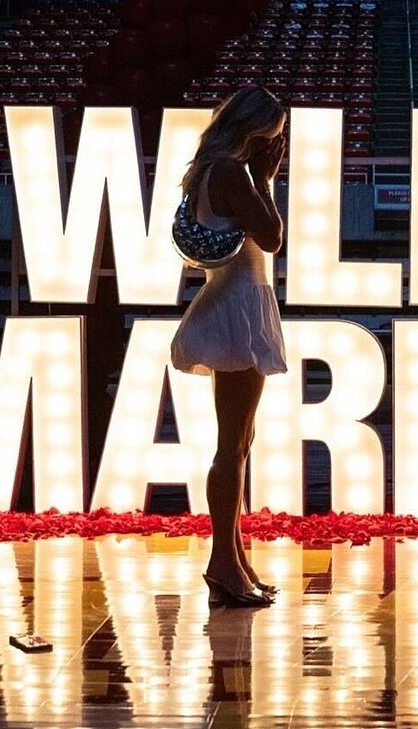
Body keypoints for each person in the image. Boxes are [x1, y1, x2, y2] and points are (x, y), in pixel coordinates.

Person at [171, 86, 288, 608]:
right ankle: (223, 561)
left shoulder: (211, 169)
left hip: (235, 301)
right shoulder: (234, 173)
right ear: (255, 130)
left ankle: (235, 559)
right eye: (273, 136)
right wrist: (265, 179)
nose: (276, 145)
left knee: (240, 443)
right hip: (238, 309)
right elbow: (272, 236)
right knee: (232, 445)